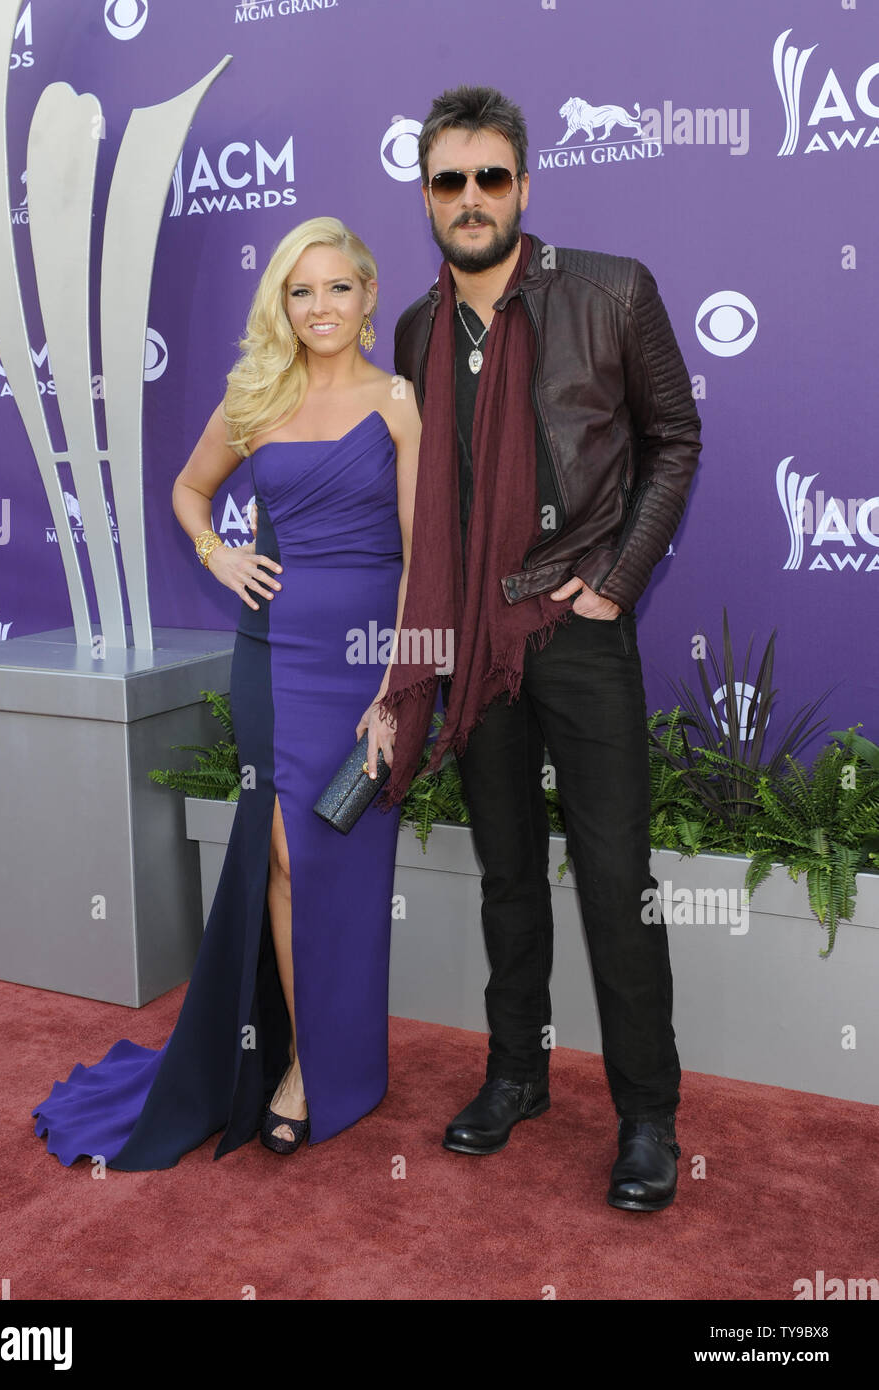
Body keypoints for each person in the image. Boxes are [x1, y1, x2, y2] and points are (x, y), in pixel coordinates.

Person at [31, 216, 420, 1167]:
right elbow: (187, 492)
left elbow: (423, 558)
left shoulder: (402, 402)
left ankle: (344, 1060)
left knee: (347, 865)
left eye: (337, 288)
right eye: (301, 291)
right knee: (284, 854)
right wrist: (218, 551)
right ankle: (305, 1067)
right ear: (280, 306)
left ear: (369, 297)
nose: (320, 306)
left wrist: (402, 685)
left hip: (370, 669)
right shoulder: (259, 398)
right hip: (273, 659)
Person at [376, 87, 702, 1211]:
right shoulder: (416, 331)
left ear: (524, 184)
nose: (471, 200)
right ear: (424, 197)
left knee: (616, 881)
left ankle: (648, 1117)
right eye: (448, 182)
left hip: (574, 630)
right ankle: (515, 1072)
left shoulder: (612, 290)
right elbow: (429, 527)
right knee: (507, 874)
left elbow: (675, 438)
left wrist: (614, 584)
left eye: (491, 178)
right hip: (474, 644)